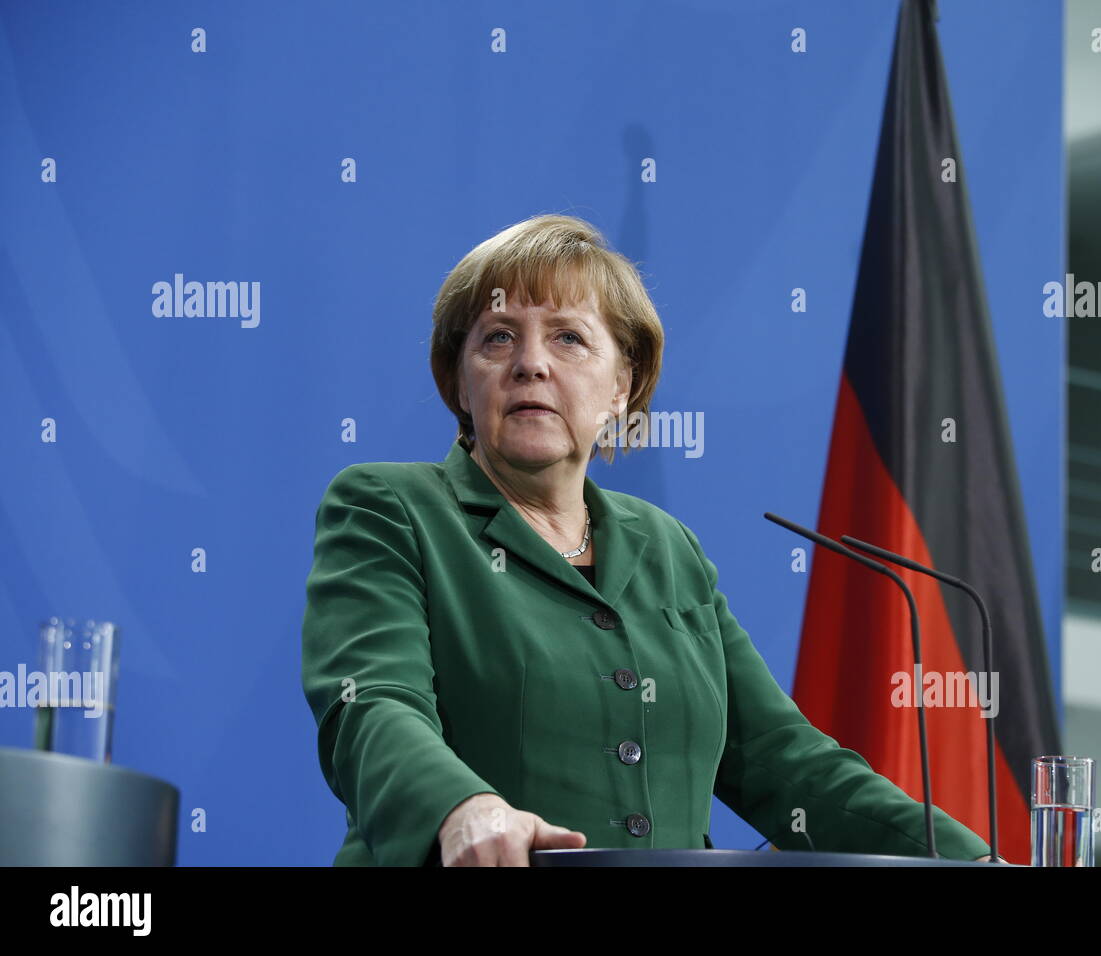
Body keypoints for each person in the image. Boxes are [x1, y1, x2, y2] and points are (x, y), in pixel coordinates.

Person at [300, 213, 995, 866]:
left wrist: (980, 861)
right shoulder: (391, 507)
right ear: (459, 379)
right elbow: (372, 703)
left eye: (569, 337)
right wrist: (463, 809)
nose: (531, 363)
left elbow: (785, 761)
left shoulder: (668, 549)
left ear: (622, 386)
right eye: (498, 337)